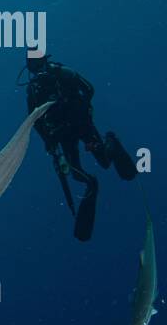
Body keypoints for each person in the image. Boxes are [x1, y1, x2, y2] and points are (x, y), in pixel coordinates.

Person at [24, 52, 136, 241]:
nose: (39, 72)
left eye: (39, 66)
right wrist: (50, 143)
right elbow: (34, 121)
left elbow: (88, 90)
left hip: (80, 126)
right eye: (35, 68)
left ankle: (111, 143)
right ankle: (93, 182)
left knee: (103, 163)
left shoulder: (62, 74)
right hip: (67, 133)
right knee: (77, 172)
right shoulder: (36, 89)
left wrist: (80, 109)